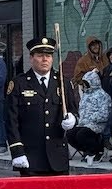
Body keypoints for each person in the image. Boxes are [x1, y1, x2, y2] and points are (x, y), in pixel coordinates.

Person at [9, 37, 79, 176]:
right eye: (40, 55)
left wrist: (73, 119)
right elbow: (11, 120)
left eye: (48, 55)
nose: (45, 59)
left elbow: (73, 110)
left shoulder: (62, 83)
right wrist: (17, 151)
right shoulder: (19, 83)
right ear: (31, 58)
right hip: (31, 157)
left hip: (58, 157)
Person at [66, 70, 110, 164]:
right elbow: (81, 110)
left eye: (87, 83)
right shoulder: (85, 95)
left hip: (97, 124)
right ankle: (87, 150)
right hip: (84, 123)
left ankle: (97, 150)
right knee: (70, 134)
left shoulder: (102, 96)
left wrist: (90, 118)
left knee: (82, 134)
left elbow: (104, 114)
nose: (85, 85)